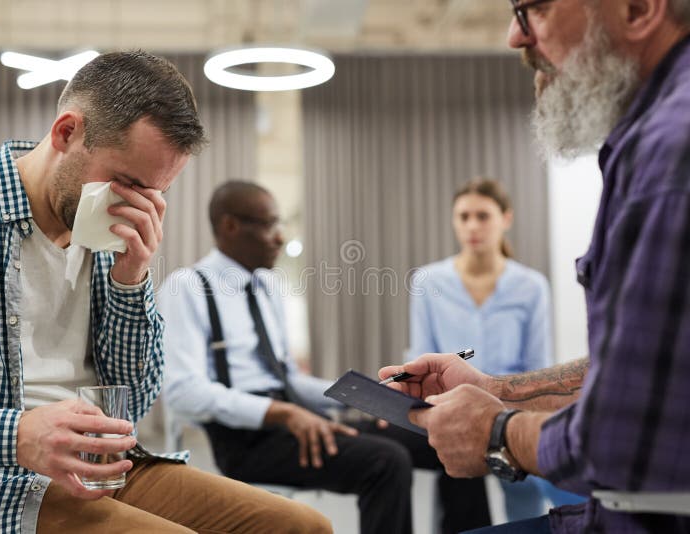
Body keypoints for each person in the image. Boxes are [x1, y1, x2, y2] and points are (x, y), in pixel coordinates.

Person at [0, 51, 331, 534]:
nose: (136, 206)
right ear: (66, 133)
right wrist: (12, 434)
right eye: (125, 183)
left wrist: (131, 280)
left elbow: (134, 404)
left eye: (156, 193)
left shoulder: (109, 239)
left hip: (103, 467)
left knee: (302, 526)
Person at [381, 0, 690, 532]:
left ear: (637, 9)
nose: (514, 36)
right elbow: (631, 375)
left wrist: (498, 430)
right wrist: (497, 389)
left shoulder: (670, 151)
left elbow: (621, 446)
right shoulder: (648, 140)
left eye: (535, 9)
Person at [158, 180, 491, 534]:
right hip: (245, 441)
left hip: (295, 419)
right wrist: (283, 413)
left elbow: (288, 378)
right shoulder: (187, 288)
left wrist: (366, 396)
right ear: (230, 226)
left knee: (446, 432)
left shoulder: (268, 287)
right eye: (269, 225)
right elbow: (183, 392)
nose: (280, 237)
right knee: (386, 462)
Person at [408, 178, 583, 520]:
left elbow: (538, 365)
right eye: (464, 216)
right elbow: (423, 357)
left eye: (483, 216)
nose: (472, 226)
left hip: (513, 408)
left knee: (526, 502)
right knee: (457, 501)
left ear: (506, 219)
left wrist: (510, 414)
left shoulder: (531, 286)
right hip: (451, 405)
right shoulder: (428, 282)